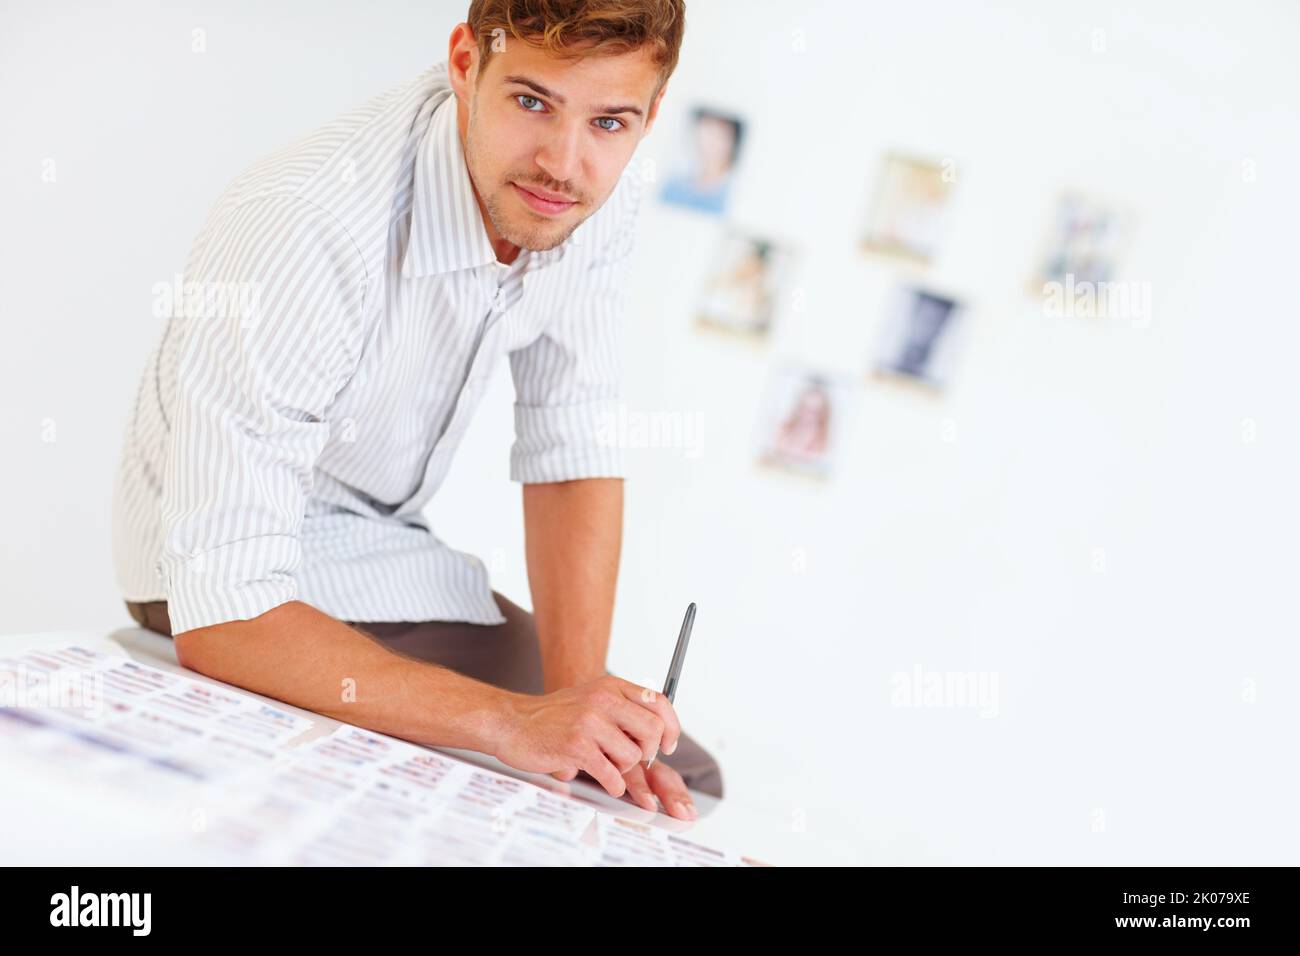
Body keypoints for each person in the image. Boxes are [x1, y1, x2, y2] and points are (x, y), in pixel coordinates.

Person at [111, 0, 721, 820]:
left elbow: (570, 445)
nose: (562, 162)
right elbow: (223, 610)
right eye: (532, 101)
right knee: (595, 770)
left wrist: (576, 717)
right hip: (222, 576)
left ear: (650, 117)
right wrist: (517, 721)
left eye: (609, 121)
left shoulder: (583, 196)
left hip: (381, 552)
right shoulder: (308, 223)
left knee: (638, 775)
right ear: (465, 63)